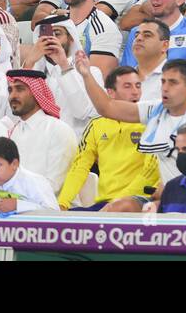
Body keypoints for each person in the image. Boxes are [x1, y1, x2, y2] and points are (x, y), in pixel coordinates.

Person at [76, 54, 186, 186]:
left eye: (173, 83)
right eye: (163, 82)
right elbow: (107, 108)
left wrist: (178, 194)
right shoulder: (155, 110)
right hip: (166, 196)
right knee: (118, 208)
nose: (165, 88)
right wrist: (86, 75)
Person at [57, 65, 161, 211]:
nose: (135, 92)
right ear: (110, 93)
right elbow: (79, 167)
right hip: (104, 203)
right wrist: (62, 204)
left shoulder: (152, 123)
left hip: (139, 201)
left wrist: (117, 202)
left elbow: (151, 171)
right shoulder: (96, 124)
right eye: (127, 86)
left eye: (138, 86)